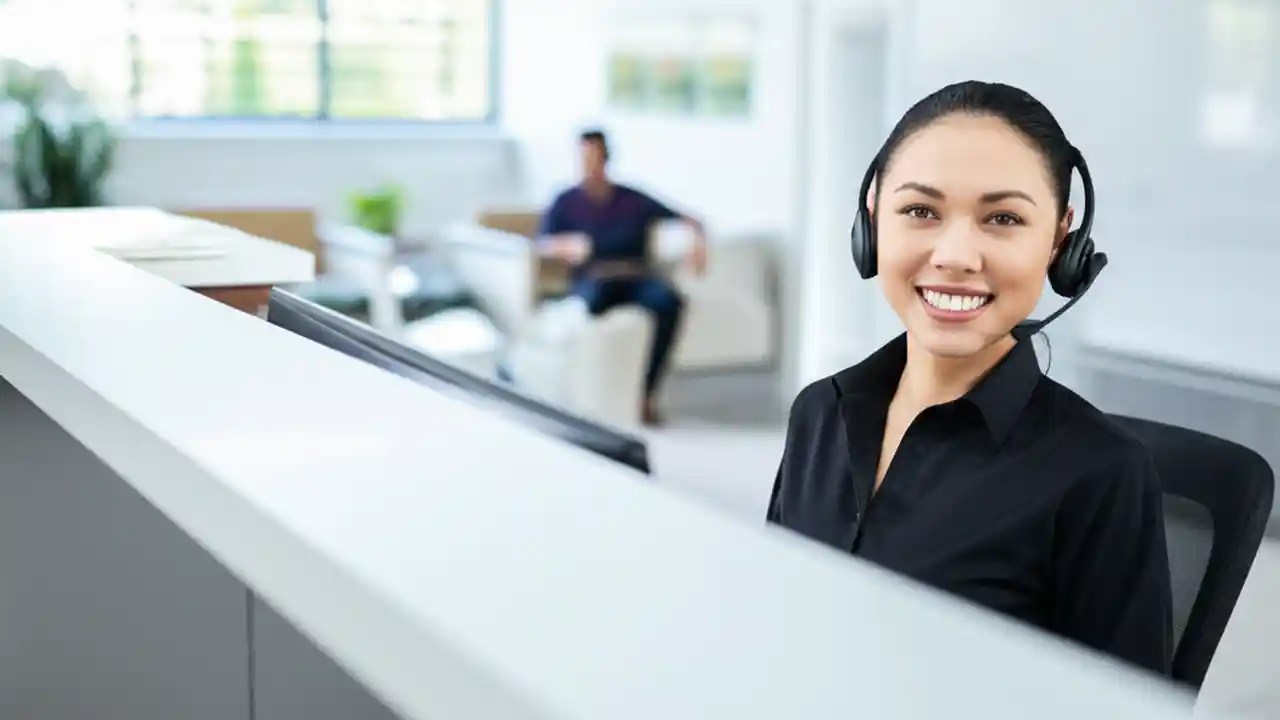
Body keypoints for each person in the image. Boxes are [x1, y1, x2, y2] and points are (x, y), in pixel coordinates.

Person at [767, 81, 1173, 675]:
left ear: (1061, 242)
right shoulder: (819, 412)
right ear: (872, 220)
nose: (956, 255)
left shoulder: (1101, 474)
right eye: (920, 211)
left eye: (1003, 218)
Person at [538, 129, 708, 426]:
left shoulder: (633, 201)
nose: (589, 165)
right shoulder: (566, 201)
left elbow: (692, 220)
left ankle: (646, 394)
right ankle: (590, 393)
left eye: (594, 158)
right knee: (592, 302)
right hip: (595, 279)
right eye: (584, 158)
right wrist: (570, 245)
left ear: (606, 159)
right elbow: (542, 243)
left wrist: (698, 246)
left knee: (669, 302)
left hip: (635, 277)